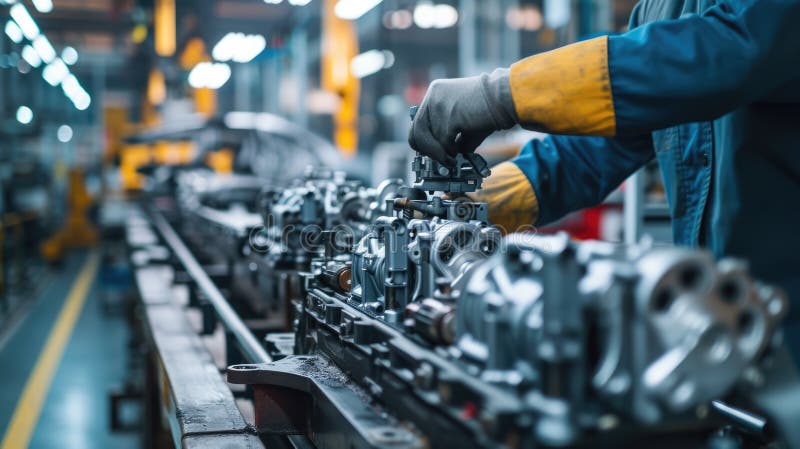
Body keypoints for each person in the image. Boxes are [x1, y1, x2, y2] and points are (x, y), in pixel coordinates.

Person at [409, 0, 800, 347]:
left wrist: (501, 94)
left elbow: (727, 51)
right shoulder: (662, 7)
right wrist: (482, 203)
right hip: (721, 319)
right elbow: (605, 143)